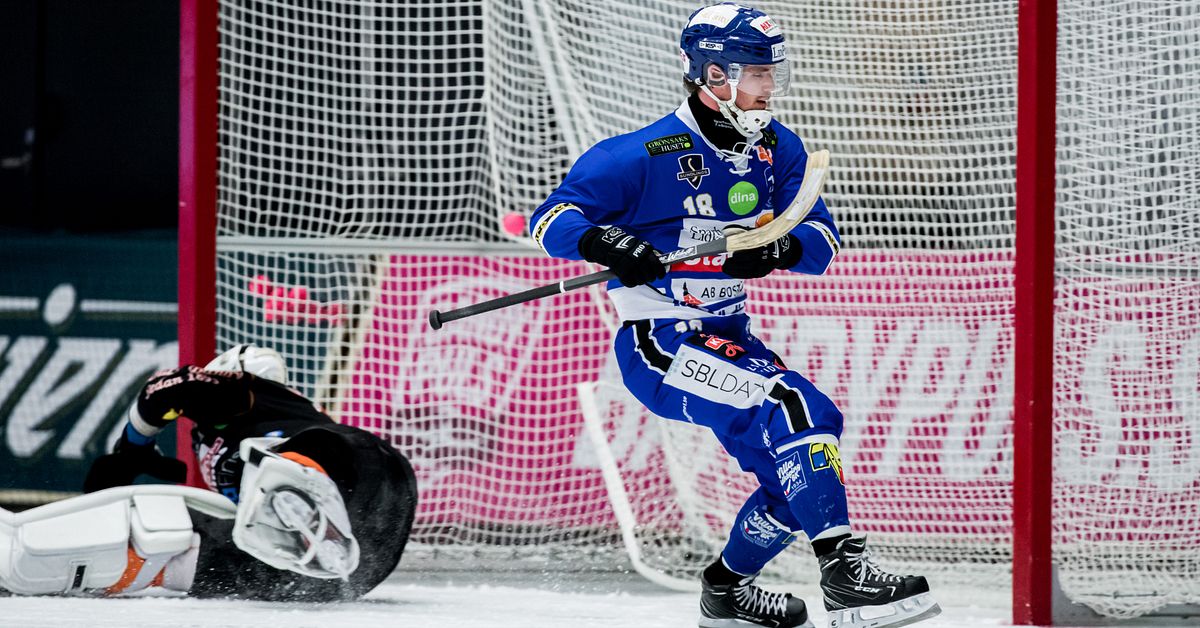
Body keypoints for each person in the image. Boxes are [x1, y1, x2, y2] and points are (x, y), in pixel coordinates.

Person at [527, 4, 939, 628]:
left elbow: (823, 244)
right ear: (713, 75)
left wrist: (779, 247)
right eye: (757, 74)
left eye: (774, 73)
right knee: (804, 411)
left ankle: (726, 590)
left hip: (729, 338)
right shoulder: (639, 155)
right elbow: (551, 222)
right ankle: (845, 573)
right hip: (660, 347)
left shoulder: (777, 148)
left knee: (791, 472)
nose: (770, 87)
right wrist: (606, 243)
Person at [0, 344, 417, 601]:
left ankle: (297, 497)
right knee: (180, 548)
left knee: (286, 461)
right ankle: (40, 570)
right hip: (351, 569)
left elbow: (165, 388)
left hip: (351, 464)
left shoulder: (249, 393)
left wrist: (132, 448)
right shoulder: (251, 422)